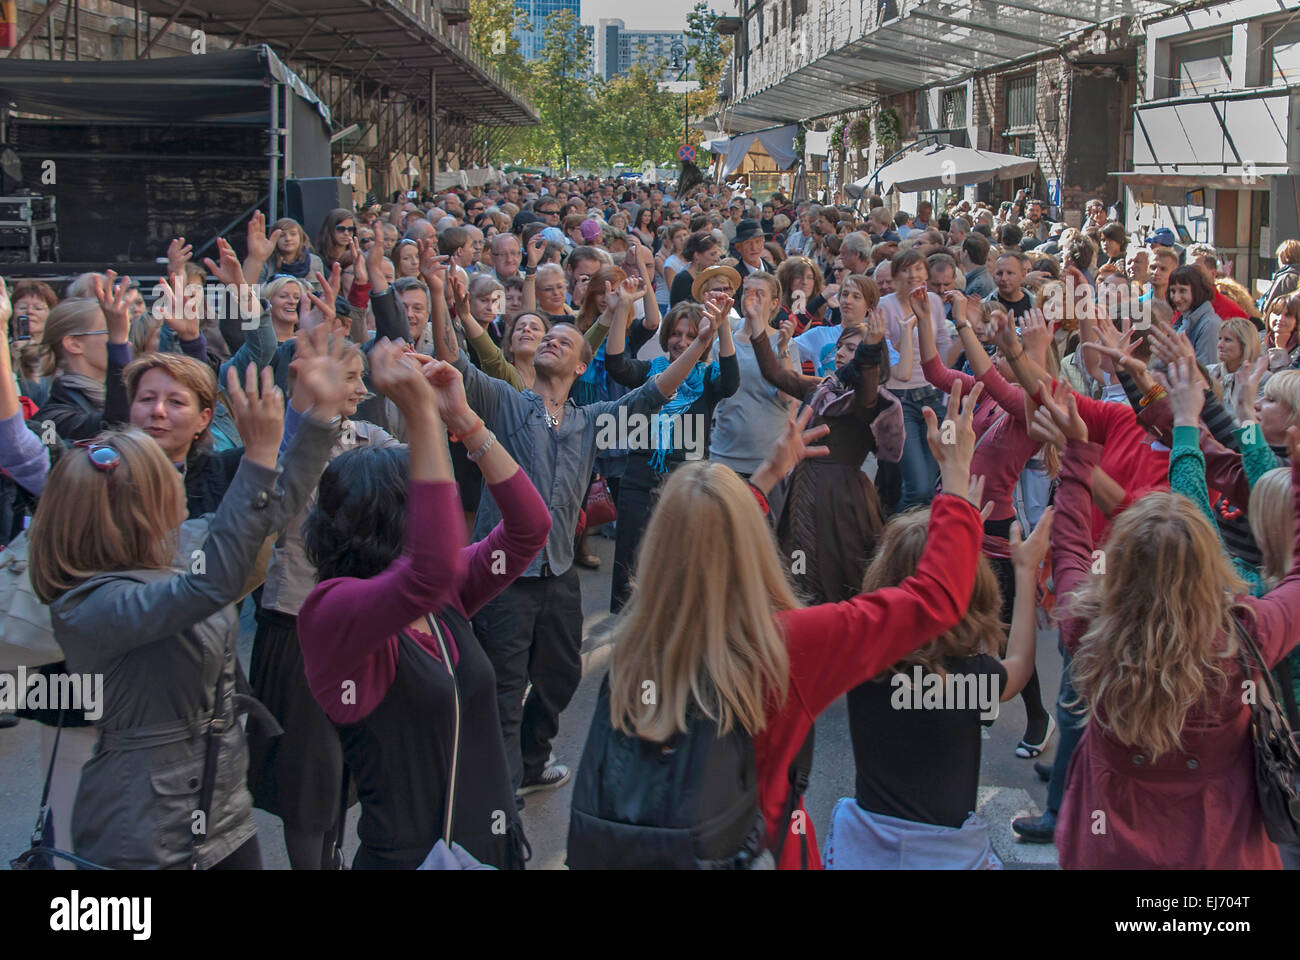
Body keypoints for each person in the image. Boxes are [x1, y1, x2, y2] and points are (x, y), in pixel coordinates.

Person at [566, 386, 985, 869]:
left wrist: (766, 476)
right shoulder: (786, 647)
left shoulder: (634, 645)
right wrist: (954, 481)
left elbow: (699, 538)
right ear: (754, 544)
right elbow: (934, 599)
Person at [27, 362, 339, 869]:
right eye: (159, 482)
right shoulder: (92, 604)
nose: (178, 484)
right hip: (145, 830)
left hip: (222, 809)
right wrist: (258, 454)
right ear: (127, 513)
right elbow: (213, 582)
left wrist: (320, 417)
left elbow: (271, 510)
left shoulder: (173, 551)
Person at [444, 293, 724, 797]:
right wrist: (452, 308)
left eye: (564, 340)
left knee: (559, 676)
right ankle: (499, 804)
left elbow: (654, 394)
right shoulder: (508, 400)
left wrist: (702, 342)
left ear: (581, 363)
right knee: (505, 689)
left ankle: (530, 762)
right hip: (504, 576)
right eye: (546, 337)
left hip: (557, 573)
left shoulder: (592, 418)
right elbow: (456, 366)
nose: (550, 340)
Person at [296, 342, 550, 869]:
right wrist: (420, 418)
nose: (441, 505)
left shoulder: (444, 595)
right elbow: (428, 568)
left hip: (490, 850)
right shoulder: (334, 612)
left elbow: (530, 530)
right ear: (397, 517)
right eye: (425, 497)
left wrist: (462, 419)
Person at [1033, 383, 1300, 868]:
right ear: (1210, 563)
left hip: (1106, 843)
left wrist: (1076, 455)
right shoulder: (1246, 635)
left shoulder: (1088, 630)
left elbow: (1071, 550)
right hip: (1217, 847)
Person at [826, 505, 1054, 868]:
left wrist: (955, 533)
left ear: (883, 574)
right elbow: (1022, 666)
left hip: (864, 852)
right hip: (946, 858)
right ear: (973, 587)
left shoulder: (862, 660)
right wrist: (1025, 572)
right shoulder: (971, 679)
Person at [744, 277, 904, 604]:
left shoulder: (870, 400)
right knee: (798, 570)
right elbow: (775, 373)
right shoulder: (822, 387)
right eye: (842, 346)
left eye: (852, 348)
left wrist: (871, 348)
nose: (842, 352)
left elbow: (867, 390)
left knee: (839, 577)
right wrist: (758, 323)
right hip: (802, 489)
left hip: (840, 500)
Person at [605, 288, 739, 613]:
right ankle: (629, 641)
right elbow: (617, 366)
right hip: (639, 482)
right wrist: (623, 308)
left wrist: (720, 326)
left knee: (680, 569)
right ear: (666, 336)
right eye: (677, 334)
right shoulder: (654, 369)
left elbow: (731, 382)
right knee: (632, 567)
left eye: (691, 334)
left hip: (687, 484)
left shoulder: (709, 376)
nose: (681, 340)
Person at [881, 249, 951, 511]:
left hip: (933, 396)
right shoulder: (886, 305)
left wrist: (947, 379)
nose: (913, 275)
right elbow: (886, 357)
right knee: (918, 486)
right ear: (897, 275)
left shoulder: (933, 300)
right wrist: (906, 331)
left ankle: (918, 543)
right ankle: (896, 542)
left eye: (918, 269)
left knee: (930, 487)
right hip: (901, 399)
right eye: (907, 270)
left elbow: (943, 341)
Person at [1167, 264, 1222, 367]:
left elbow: (1207, 370)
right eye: (1173, 291)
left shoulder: (1210, 325)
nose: (1176, 298)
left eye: (1182, 291)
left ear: (1197, 291)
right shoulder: (1183, 320)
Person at [1208, 316, 1263, 416]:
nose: (1220, 345)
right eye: (1220, 339)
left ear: (1245, 344)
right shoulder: (1209, 372)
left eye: (1227, 340)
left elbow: (1253, 421)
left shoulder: (1262, 379)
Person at [670, 231, 722, 306]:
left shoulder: (713, 275)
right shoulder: (682, 279)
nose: (717, 258)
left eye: (717, 253)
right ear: (696, 255)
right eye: (712, 254)